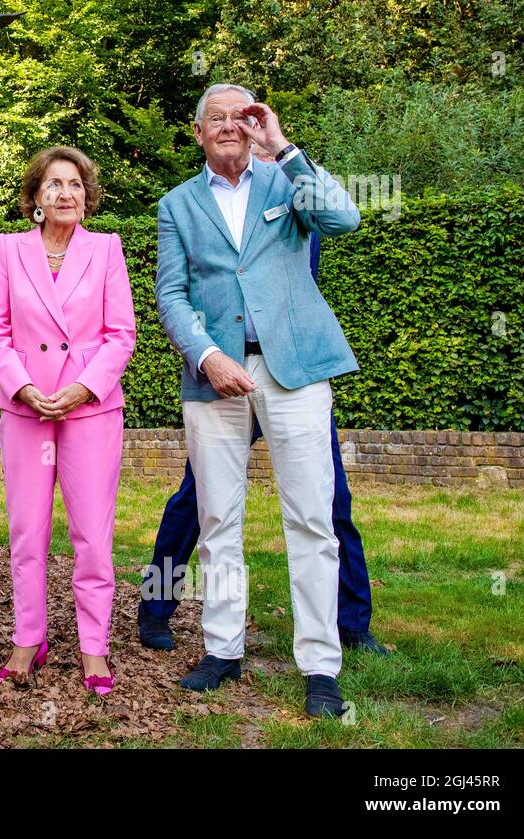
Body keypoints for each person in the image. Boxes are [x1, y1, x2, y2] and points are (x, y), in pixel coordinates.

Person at [154, 82, 361, 717]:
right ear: (197, 133)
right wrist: (208, 356)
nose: (227, 126)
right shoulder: (178, 204)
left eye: (240, 117)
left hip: (295, 370)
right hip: (213, 378)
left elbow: (343, 218)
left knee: (312, 520)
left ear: (255, 125)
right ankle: (223, 648)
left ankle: (321, 665)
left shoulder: (286, 183)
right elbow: (171, 293)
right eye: (213, 118)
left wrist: (284, 147)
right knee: (218, 520)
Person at [137, 229, 387, 656]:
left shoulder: (295, 195)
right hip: (229, 373)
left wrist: (291, 160)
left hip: (292, 378)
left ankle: (351, 623)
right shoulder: (214, 205)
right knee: (198, 498)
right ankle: (155, 607)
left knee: (330, 501)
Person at [0, 146, 137, 695]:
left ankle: (94, 649)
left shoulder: (107, 249)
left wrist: (80, 388)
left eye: (74, 184)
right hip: (25, 410)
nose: (65, 193)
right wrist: (22, 386)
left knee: (92, 535)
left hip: (89, 410)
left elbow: (121, 335)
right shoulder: (9, 250)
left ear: (86, 196)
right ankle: (29, 638)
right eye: (54, 184)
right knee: (27, 532)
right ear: (35, 197)